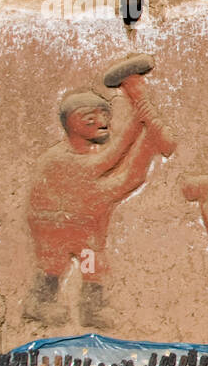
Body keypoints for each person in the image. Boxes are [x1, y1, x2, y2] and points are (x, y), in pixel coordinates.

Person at [25, 87, 170, 328]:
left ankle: (91, 309)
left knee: (93, 264)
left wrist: (148, 142)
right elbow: (107, 160)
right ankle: (38, 302)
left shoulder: (86, 161)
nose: (102, 122)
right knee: (53, 263)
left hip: (85, 219)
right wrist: (137, 121)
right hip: (53, 224)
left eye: (105, 116)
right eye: (90, 118)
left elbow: (128, 179)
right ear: (71, 124)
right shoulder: (59, 158)